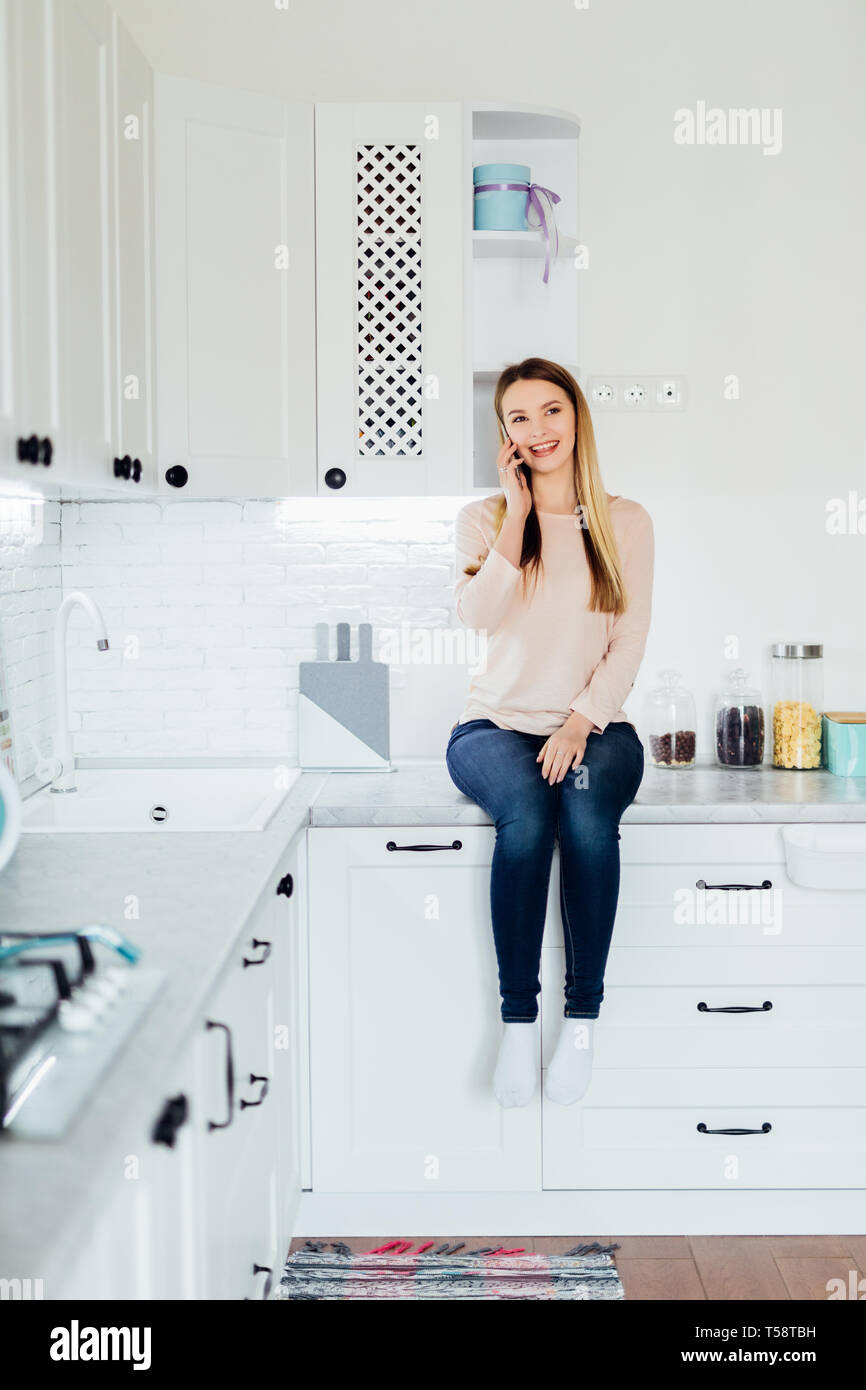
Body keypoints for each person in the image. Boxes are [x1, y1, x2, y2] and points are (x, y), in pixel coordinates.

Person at [446, 357, 654, 1108]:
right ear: (504, 435)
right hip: (492, 726)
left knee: (589, 823)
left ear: (577, 417)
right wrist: (520, 511)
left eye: (551, 411)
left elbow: (629, 640)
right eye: (519, 419)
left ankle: (583, 1019)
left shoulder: (625, 521)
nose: (538, 430)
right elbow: (476, 617)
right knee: (528, 820)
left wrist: (577, 723)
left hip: (597, 727)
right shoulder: (485, 519)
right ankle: (516, 1022)